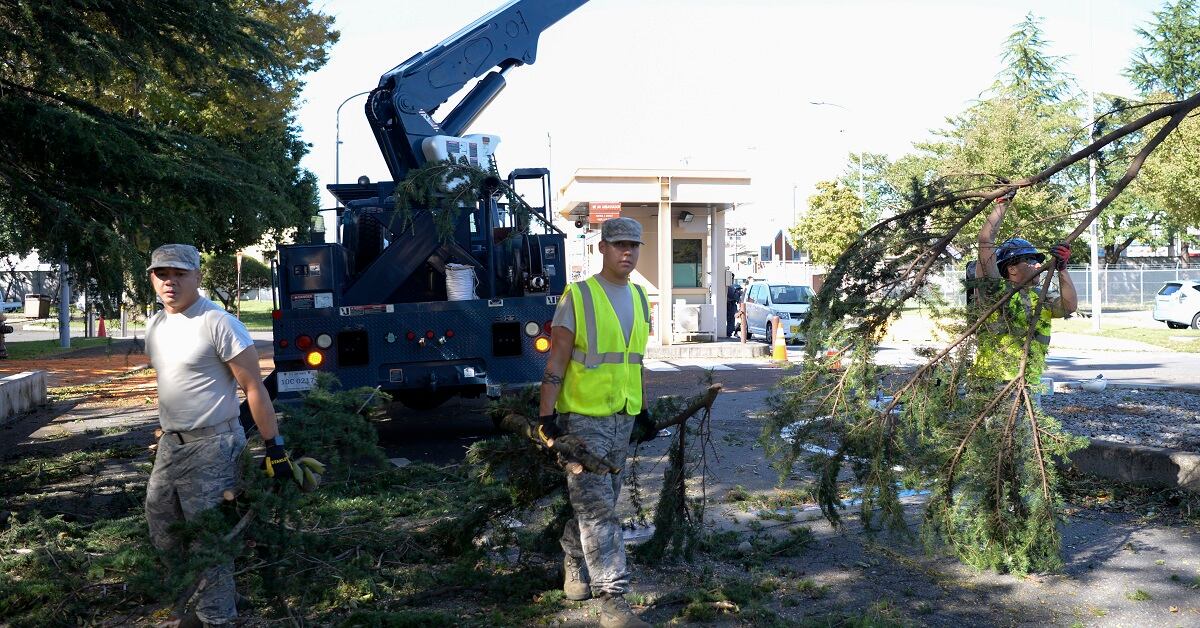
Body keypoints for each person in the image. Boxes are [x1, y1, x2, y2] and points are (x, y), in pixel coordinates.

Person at [143, 244, 299, 627]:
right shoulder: (156, 324)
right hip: (171, 446)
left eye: (179, 274)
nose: (170, 281)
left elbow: (255, 389)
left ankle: (217, 618)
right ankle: (190, 610)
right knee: (163, 529)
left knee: (209, 541)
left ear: (197, 276)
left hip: (214, 446)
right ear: (152, 278)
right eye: (162, 274)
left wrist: (273, 447)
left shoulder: (218, 322)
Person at [538, 217, 653, 628]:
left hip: (622, 417)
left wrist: (644, 409)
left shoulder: (640, 298)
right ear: (601, 247)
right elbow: (557, 359)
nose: (628, 252)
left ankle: (572, 557)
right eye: (619, 243)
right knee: (600, 511)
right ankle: (613, 600)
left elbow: (633, 360)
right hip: (583, 421)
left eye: (634, 245)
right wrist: (547, 417)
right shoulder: (579, 296)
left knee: (597, 504)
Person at [973, 192, 1078, 391]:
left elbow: (1069, 307)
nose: (1038, 264)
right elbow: (986, 240)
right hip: (994, 383)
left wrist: (1062, 268)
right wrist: (1003, 203)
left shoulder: (1041, 296)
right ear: (1011, 268)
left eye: (1038, 260)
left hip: (1029, 380)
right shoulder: (995, 291)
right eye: (1030, 260)